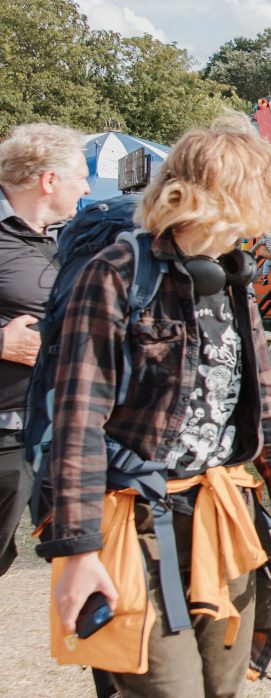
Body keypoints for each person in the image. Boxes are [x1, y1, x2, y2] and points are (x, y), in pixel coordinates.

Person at [44, 115, 271, 692]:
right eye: (262, 199)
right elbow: (78, 418)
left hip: (223, 511)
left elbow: (264, 399)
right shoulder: (116, 275)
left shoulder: (229, 278)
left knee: (224, 686)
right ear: (222, 200)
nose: (269, 218)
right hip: (136, 519)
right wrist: (77, 550)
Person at [0, 123, 89, 577]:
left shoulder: (55, 240)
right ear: (49, 180)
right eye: (80, 174)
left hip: (48, 431)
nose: (87, 185)